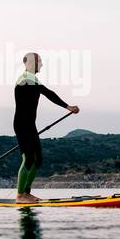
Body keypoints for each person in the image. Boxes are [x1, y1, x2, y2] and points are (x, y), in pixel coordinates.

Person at [13, 51, 79, 203]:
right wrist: (68, 107)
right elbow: (48, 93)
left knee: (38, 160)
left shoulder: (32, 79)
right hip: (22, 125)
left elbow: (46, 92)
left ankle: (26, 193)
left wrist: (67, 107)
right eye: (39, 61)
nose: (41, 64)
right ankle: (20, 195)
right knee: (28, 159)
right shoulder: (25, 79)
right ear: (31, 62)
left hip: (30, 125)